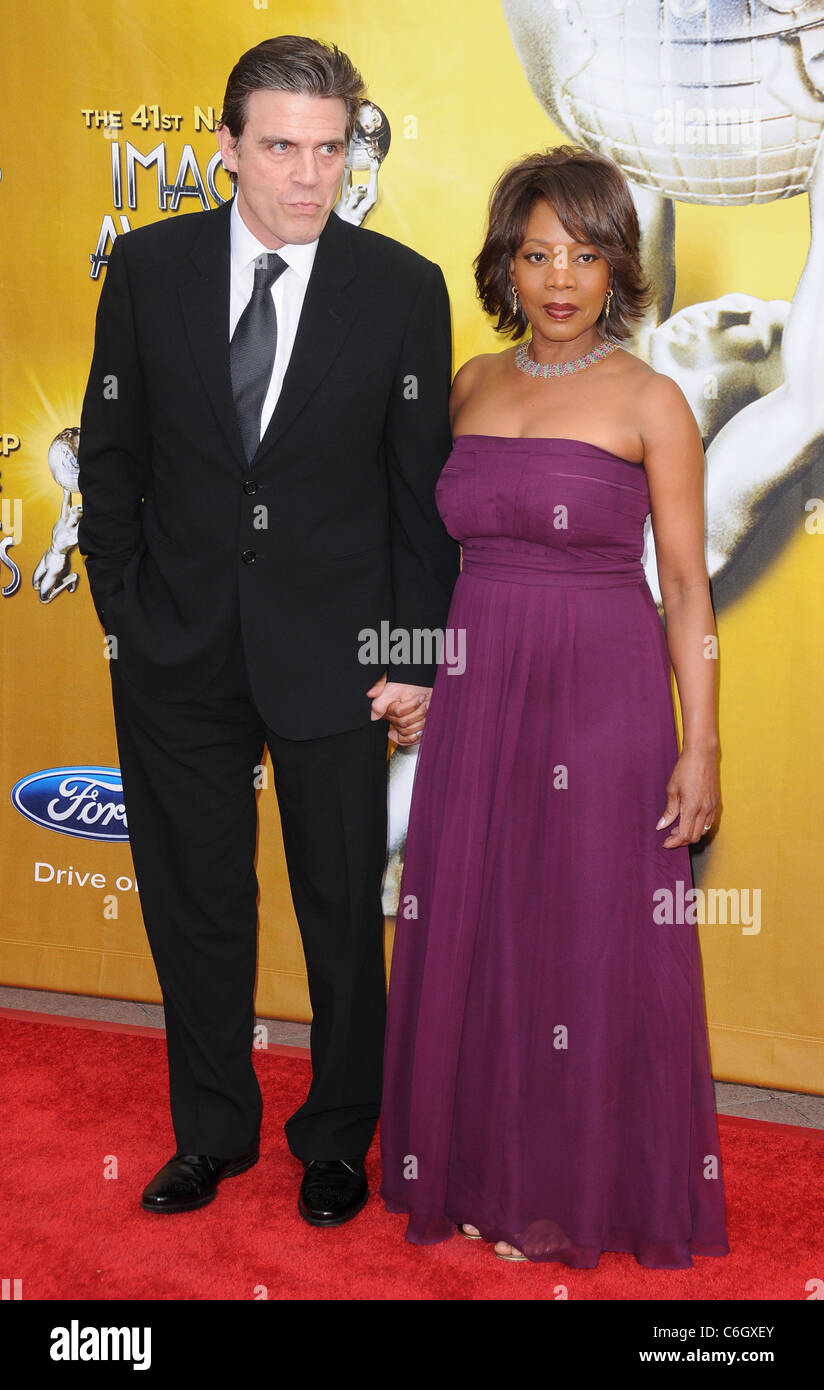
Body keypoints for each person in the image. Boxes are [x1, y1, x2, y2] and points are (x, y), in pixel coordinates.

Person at [76, 34, 459, 1227]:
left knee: (344, 907)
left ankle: (338, 1137)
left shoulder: (400, 288)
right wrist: (129, 613)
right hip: (175, 646)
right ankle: (211, 1131)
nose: (308, 175)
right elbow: (112, 459)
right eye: (282, 147)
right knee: (194, 902)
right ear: (230, 146)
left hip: (338, 660)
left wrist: (410, 664)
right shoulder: (146, 268)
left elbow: (420, 503)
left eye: (330, 148)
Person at [379, 146, 730, 1267]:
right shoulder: (470, 383)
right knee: (480, 928)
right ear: (505, 266)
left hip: (601, 697)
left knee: (580, 938)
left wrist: (701, 744)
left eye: (582, 253)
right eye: (536, 254)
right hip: (482, 697)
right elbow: (428, 549)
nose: (560, 278)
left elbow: (684, 585)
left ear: (616, 264)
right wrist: (424, 668)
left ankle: (574, 1185)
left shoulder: (649, 398)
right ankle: (481, 1169)